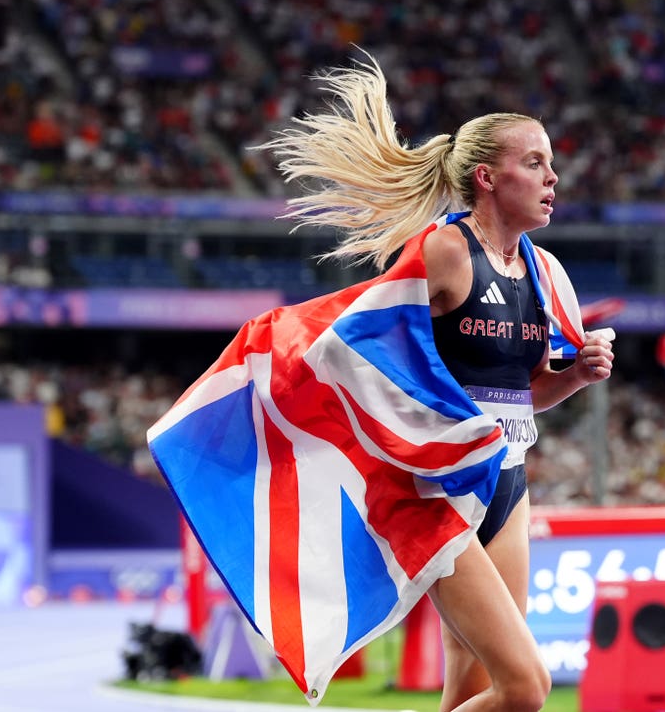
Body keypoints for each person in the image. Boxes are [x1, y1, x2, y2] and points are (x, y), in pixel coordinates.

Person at [260, 54, 616, 712]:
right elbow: (346, 346)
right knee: (526, 689)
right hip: (439, 490)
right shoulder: (446, 252)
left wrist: (576, 376)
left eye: (550, 163)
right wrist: (416, 435)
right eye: (534, 162)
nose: (552, 176)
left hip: (507, 481)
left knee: (474, 688)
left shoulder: (546, 272)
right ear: (488, 177)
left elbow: (528, 391)